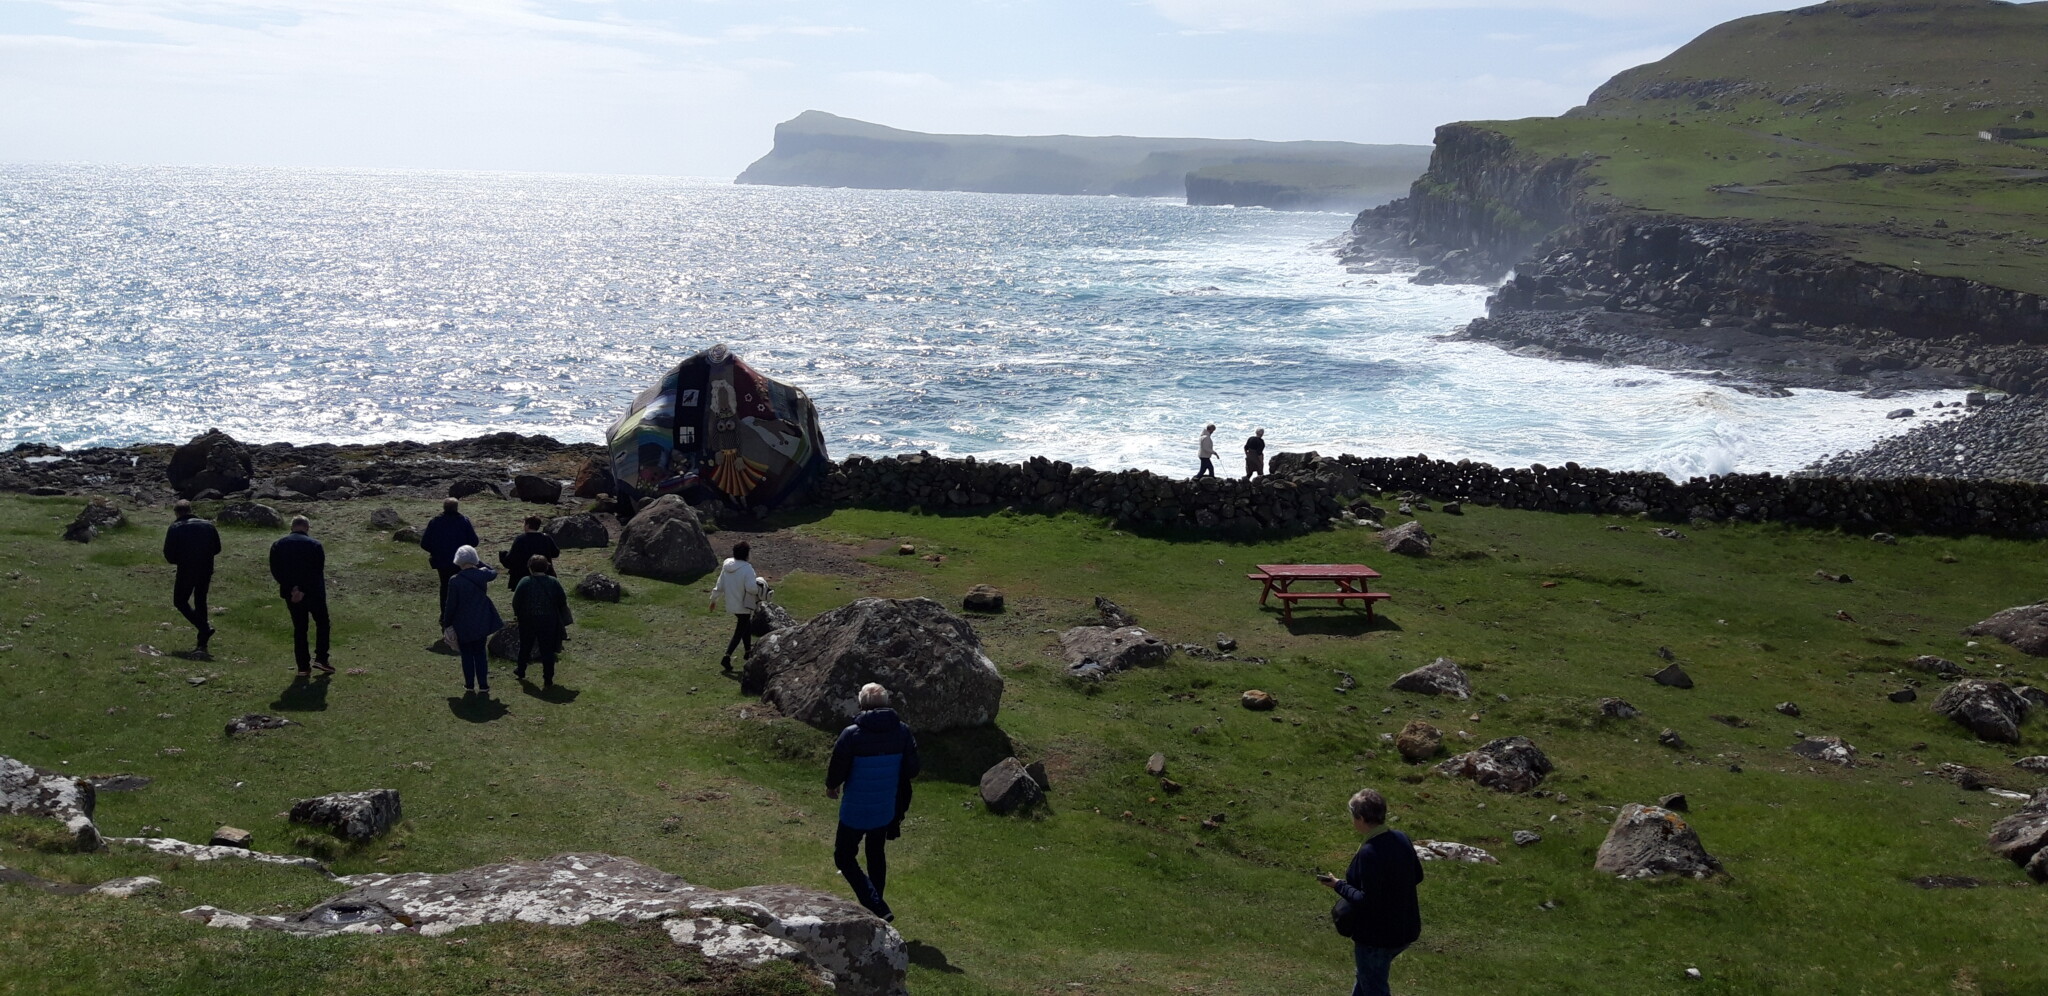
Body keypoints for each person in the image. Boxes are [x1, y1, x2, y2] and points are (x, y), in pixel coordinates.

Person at [824, 683, 920, 921]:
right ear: (887, 703)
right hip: (885, 805)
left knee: (844, 857)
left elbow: (838, 767)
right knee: (876, 853)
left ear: (862, 704)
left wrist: (831, 786)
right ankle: (876, 909)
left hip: (856, 805)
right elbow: (912, 769)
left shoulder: (852, 734)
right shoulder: (903, 732)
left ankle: (875, 906)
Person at [1319, 788, 1424, 996]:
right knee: (1366, 979)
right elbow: (1417, 876)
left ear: (1360, 817)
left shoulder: (1369, 852)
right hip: (1404, 929)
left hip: (1377, 937)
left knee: (1374, 987)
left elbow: (1366, 900)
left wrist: (1338, 885)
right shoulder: (1401, 838)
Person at [267, 515, 332, 676]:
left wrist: (293, 589)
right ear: (307, 527)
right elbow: (316, 570)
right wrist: (303, 589)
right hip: (314, 592)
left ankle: (303, 666)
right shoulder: (315, 545)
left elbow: (276, 570)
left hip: (291, 594)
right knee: (322, 623)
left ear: (292, 527)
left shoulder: (278, 545)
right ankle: (321, 658)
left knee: (300, 628)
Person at [440, 545, 502, 694]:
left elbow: (450, 605)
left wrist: (446, 622)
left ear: (458, 561)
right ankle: (483, 685)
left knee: (466, 655)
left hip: (462, 623)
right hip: (481, 620)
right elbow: (494, 572)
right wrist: (480, 563)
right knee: (480, 654)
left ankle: (469, 685)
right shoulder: (483, 575)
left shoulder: (455, 581)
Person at [162, 499, 221, 655]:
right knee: (200, 600)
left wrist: (180, 559)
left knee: (180, 601)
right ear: (190, 510)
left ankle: (204, 627)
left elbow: (169, 555)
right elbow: (217, 548)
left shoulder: (175, 527)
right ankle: (202, 643)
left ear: (177, 512)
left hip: (186, 569)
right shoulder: (208, 525)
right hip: (206, 568)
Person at [511, 553, 572, 688]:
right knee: (547, 650)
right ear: (546, 567)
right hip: (548, 620)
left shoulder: (525, 582)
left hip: (528, 620)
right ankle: (548, 678)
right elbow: (562, 599)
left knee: (525, 646)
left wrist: (518, 615)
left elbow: (516, 602)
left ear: (530, 568)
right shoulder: (553, 582)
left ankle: (521, 670)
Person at [708, 541, 767, 673]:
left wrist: (713, 600)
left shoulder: (727, 566)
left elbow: (720, 585)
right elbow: (751, 588)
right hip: (744, 604)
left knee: (746, 625)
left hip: (732, 604)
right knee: (740, 630)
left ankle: (747, 651)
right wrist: (761, 586)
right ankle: (727, 656)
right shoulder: (747, 568)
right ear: (746, 554)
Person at [418, 497, 479, 613]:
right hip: (462, 562)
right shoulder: (463, 521)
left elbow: (424, 543)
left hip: (442, 562)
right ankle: (461, 612)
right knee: (461, 586)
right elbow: (474, 542)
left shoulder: (435, 522)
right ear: (456, 508)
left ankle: (445, 614)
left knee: (445, 587)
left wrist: (436, 552)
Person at [501, 515, 561, 590]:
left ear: (528, 525)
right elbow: (555, 553)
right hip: (545, 573)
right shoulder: (546, 538)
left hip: (523, 576)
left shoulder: (520, 539)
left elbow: (511, 559)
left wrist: (503, 555)